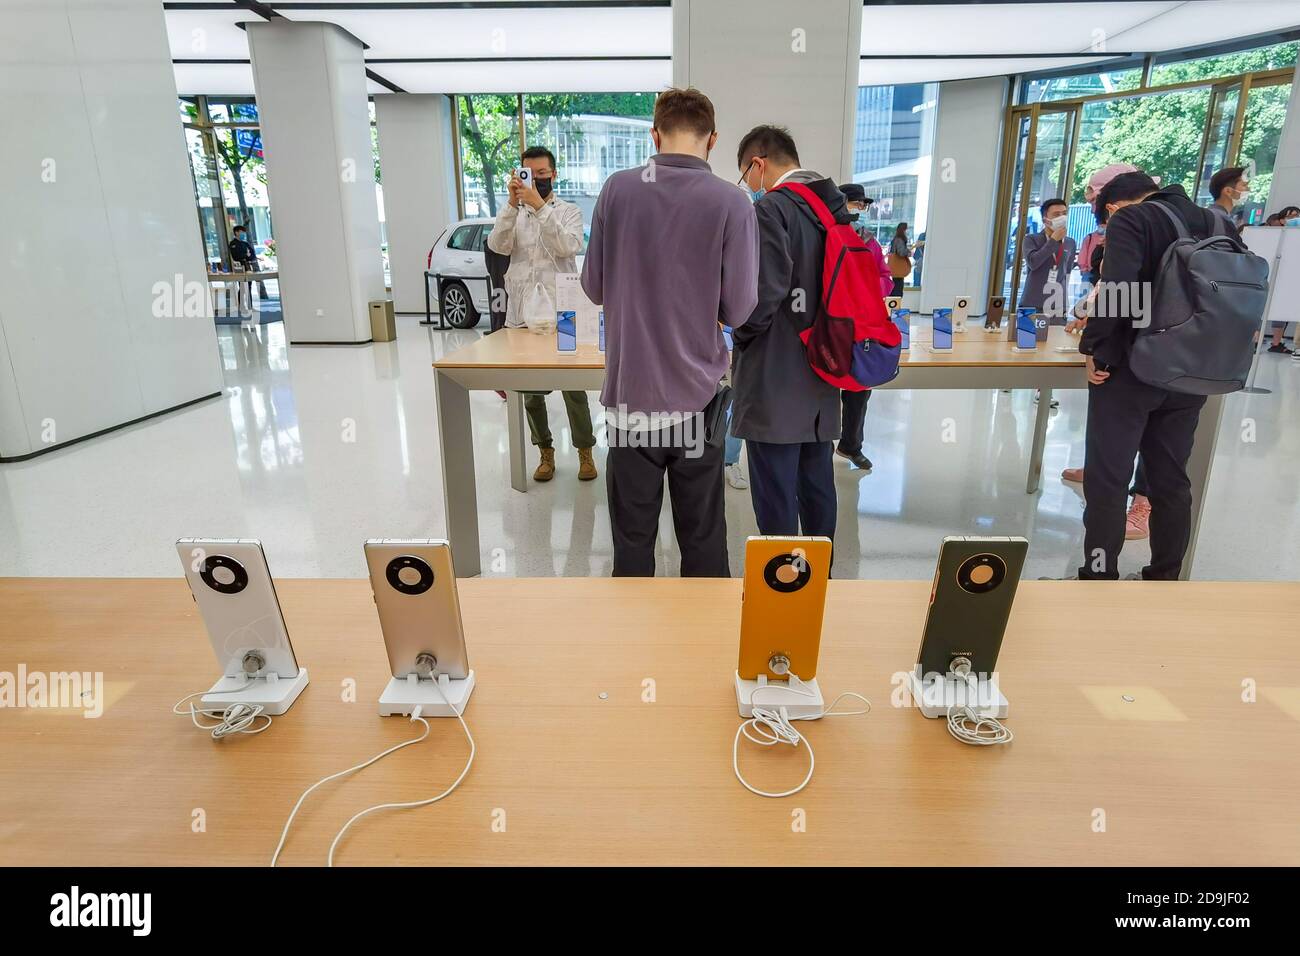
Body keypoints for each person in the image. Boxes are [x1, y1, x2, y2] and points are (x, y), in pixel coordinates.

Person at [580, 87, 758, 577]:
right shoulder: (732, 202)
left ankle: (635, 644)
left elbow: (594, 287)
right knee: (702, 537)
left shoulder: (617, 189)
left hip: (631, 397)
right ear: (713, 139)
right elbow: (741, 309)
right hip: (697, 401)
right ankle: (703, 645)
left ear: (654, 135)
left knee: (632, 539)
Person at [1075, 170, 1237, 580]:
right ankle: (1165, 577)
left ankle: (1098, 575)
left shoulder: (1134, 219)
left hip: (1132, 370)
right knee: (1170, 480)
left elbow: (1118, 291)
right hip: (1195, 369)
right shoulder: (1218, 222)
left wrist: (1094, 349)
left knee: (1108, 480)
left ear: (1113, 206)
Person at [732, 124, 842, 547]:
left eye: (745, 175)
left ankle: (784, 591)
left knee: (776, 496)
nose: (749, 186)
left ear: (758, 164)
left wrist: (738, 332)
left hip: (775, 377)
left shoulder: (772, 209)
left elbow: (764, 294)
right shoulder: (831, 207)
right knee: (817, 487)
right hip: (825, 369)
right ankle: (820, 584)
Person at [488, 146, 597, 482]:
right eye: (527, 175)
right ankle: (545, 452)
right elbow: (497, 246)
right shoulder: (513, 212)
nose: (534, 181)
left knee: (573, 386)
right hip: (522, 314)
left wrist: (539, 206)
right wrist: (511, 205)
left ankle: (584, 451)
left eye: (541, 175)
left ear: (554, 174)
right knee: (528, 390)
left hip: (564, 311)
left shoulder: (569, 211)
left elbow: (569, 246)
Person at [835, 183, 891, 472]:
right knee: (826, 383)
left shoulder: (870, 241)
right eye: (854, 204)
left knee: (859, 387)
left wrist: (869, 286)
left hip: (863, 325)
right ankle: (819, 446)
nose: (859, 209)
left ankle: (851, 445)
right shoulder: (828, 234)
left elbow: (886, 277)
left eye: (862, 205)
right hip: (833, 322)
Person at [1020, 198, 1076, 318]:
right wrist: (1053, 241)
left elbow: (1067, 272)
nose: (1062, 217)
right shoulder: (1031, 239)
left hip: (1058, 306)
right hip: (1032, 303)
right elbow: (1033, 263)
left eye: (1064, 214)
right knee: (1025, 337)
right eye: (1056, 214)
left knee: (1056, 337)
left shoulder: (1070, 243)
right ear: (1045, 220)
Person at [227, 225, 267, 312]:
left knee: (249, 286)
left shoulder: (245, 243)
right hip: (239, 268)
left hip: (248, 267)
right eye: (241, 232)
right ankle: (241, 307)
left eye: (243, 232)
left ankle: (250, 306)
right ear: (236, 232)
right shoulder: (233, 244)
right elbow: (236, 256)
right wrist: (246, 255)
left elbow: (252, 255)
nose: (243, 234)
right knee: (242, 287)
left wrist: (246, 256)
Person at [888, 222, 910, 296]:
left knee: (895, 287)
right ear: (903, 230)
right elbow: (901, 252)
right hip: (898, 267)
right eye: (906, 229)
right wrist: (908, 251)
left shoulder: (896, 239)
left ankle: (894, 304)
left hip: (895, 267)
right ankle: (895, 306)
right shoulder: (899, 240)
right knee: (898, 289)